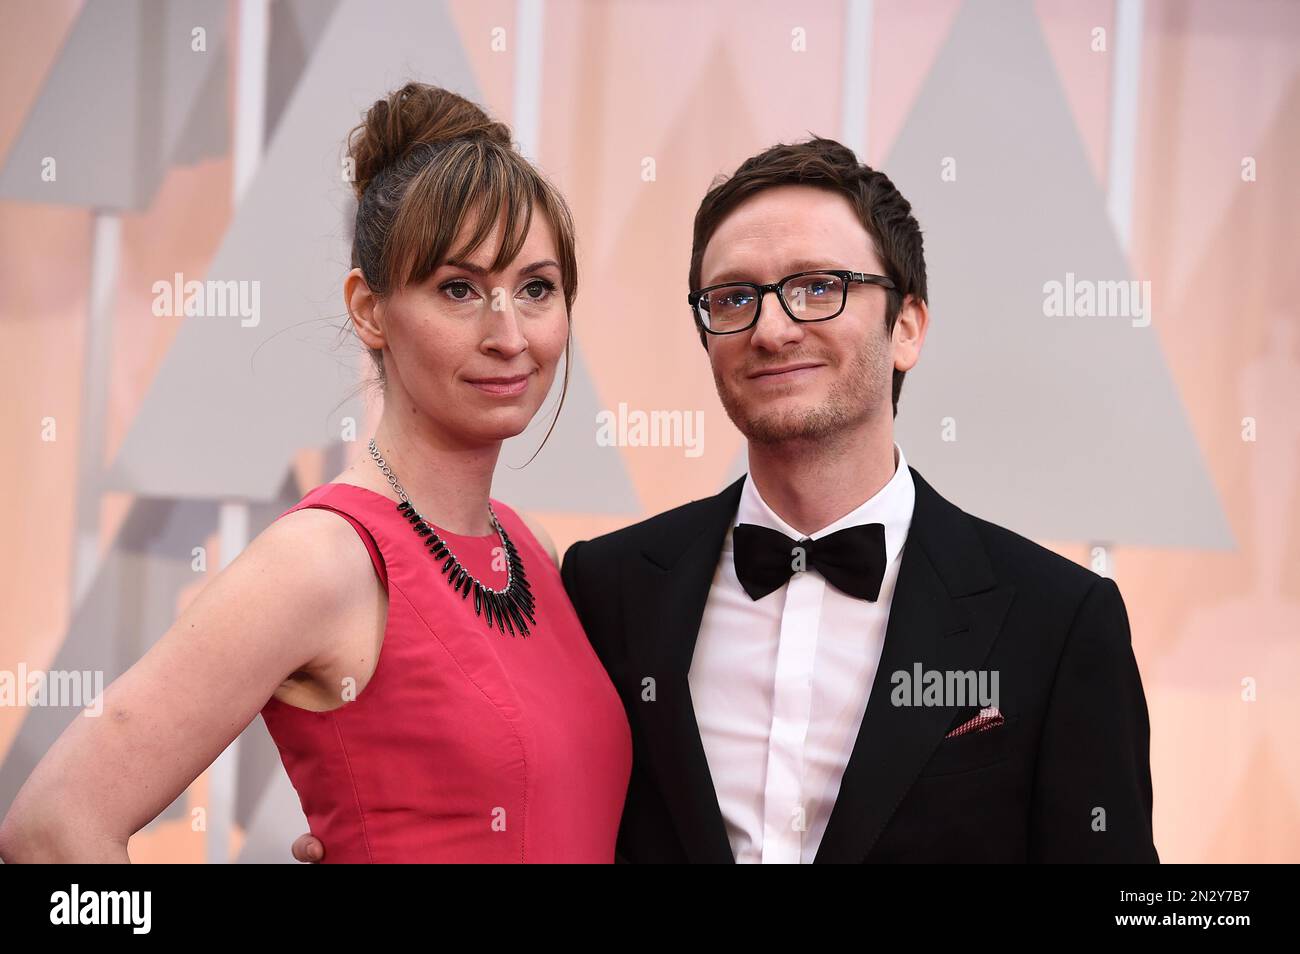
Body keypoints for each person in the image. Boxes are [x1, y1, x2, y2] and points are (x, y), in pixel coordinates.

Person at [291, 137, 1159, 864]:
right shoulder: (605, 589)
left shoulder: (1057, 621)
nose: (774, 328)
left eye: (819, 287)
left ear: (906, 326)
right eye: (735, 298)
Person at [0, 82, 631, 864]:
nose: (508, 333)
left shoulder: (529, 549)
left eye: (536, 288)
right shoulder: (323, 561)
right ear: (369, 309)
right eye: (459, 289)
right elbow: (52, 828)